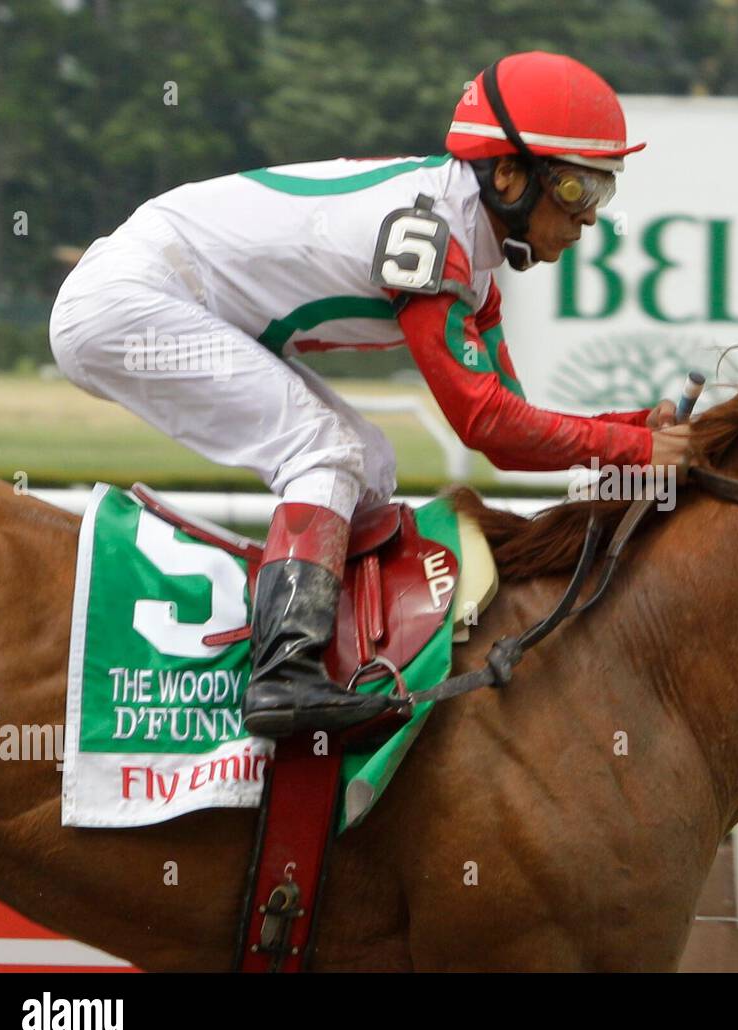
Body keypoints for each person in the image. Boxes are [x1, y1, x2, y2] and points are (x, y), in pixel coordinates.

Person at [48, 51, 693, 738]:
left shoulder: (471, 263)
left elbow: (514, 422)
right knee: (323, 448)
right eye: (575, 191)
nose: (589, 218)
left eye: (602, 193)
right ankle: (283, 675)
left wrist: (631, 429)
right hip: (130, 300)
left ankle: (341, 650)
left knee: (371, 460)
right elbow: (485, 424)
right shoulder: (429, 235)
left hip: (161, 293)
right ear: (507, 174)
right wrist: (635, 449)